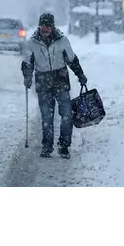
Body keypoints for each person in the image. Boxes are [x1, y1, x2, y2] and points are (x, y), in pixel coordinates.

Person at [21, 12, 87, 159]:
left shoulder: (62, 41)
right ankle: (47, 146)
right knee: (47, 117)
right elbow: (27, 63)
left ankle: (63, 146)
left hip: (61, 81)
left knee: (67, 115)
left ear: (53, 26)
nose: (46, 28)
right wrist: (27, 76)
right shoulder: (32, 43)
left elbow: (72, 60)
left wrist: (80, 74)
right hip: (43, 82)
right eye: (44, 25)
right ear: (40, 25)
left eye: (49, 25)